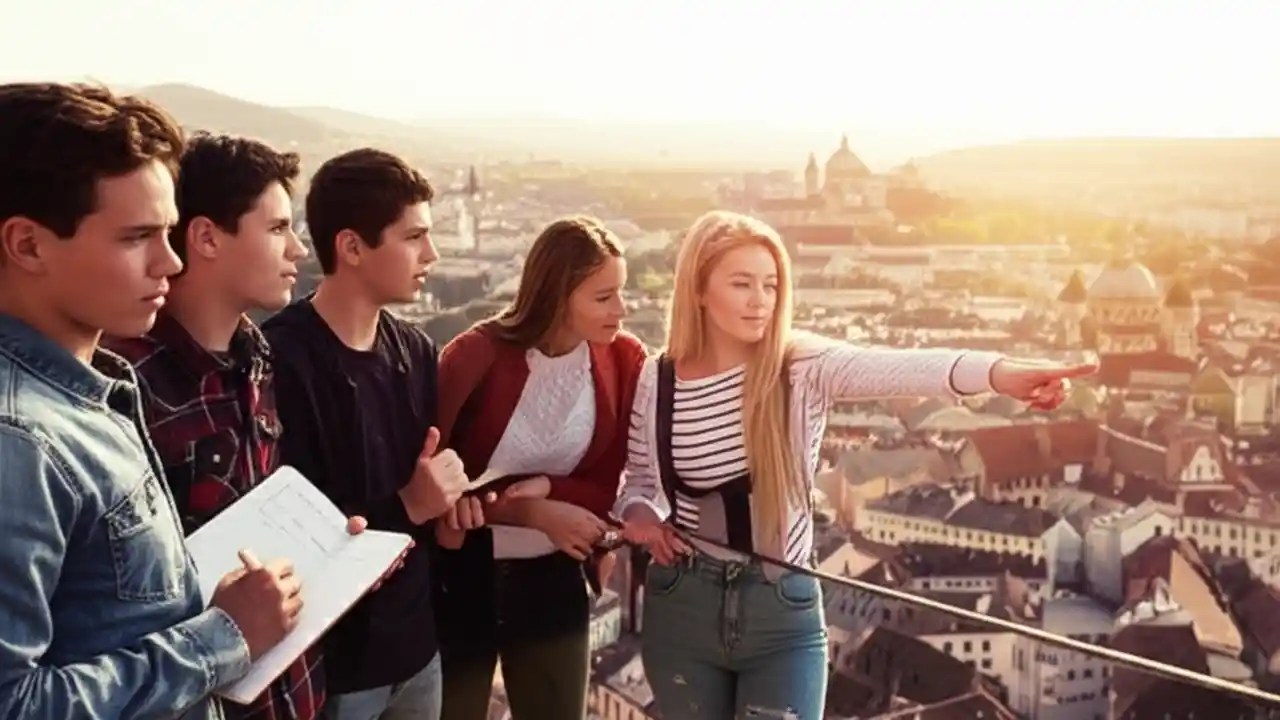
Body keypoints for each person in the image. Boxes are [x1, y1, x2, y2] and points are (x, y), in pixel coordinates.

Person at [617, 210, 1097, 720]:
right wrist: (640, 515)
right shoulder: (657, 381)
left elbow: (897, 367)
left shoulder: (798, 366)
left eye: (771, 285)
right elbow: (639, 483)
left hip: (780, 611)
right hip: (684, 608)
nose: (760, 300)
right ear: (698, 290)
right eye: (742, 284)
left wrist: (1001, 374)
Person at [0, 83, 302, 719]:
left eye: (168, 232)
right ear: (27, 245)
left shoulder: (90, 390)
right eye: (137, 237)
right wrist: (222, 637)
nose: (170, 262)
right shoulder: (19, 441)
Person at [105, 132, 369, 720]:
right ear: (206, 238)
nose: (298, 248)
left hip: (289, 688)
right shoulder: (124, 382)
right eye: (277, 228)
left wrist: (331, 552)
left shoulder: (256, 355)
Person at [262, 148, 470, 720]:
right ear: (351, 247)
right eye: (414, 237)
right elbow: (288, 532)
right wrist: (412, 505)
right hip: (332, 667)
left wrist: (450, 509)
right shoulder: (280, 361)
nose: (431, 254)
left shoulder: (417, 350)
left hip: (417, 651)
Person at [433, 216, 647, 720]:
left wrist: (548, 489)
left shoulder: (624, 359)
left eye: (622, 292)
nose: (622, 309)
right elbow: (429, 482)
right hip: (458, 577)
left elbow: (607, 485)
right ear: (556, 295)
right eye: (604, 297)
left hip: (554, 575)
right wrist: (530, 512)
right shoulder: (474, 356)